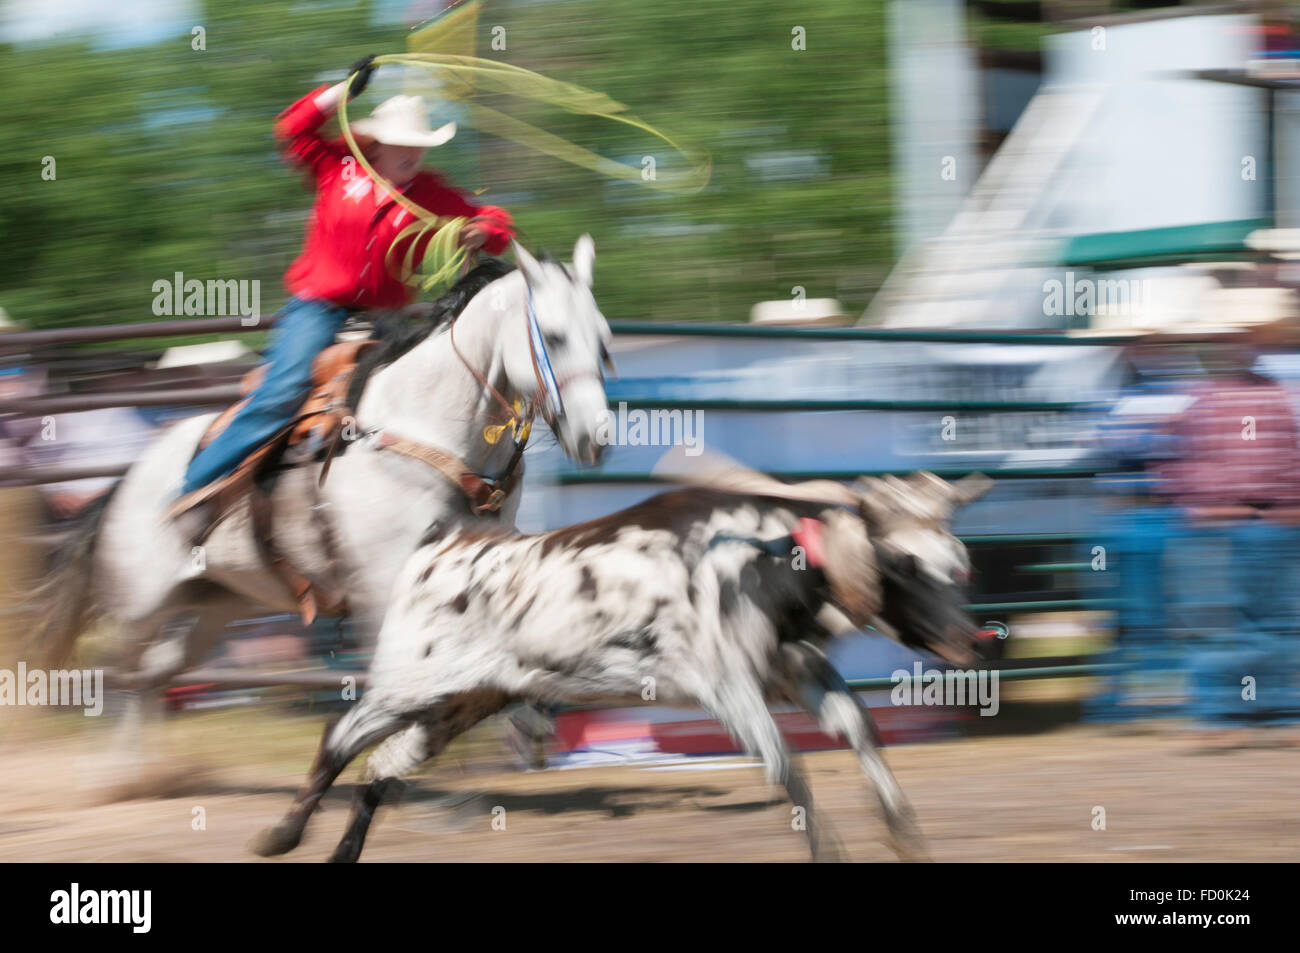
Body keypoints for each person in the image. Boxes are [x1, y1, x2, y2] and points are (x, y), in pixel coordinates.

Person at [179, 55, 515, 496]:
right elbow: (291, 128)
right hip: (319, 308)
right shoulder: (337, 166)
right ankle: (190, 492)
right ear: (376, 143)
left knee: (419, 397)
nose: (413, 152)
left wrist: (480, 231)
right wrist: (342, 92)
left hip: (387, 318)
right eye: (402, 142)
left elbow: (497, 224)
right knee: (281, 394)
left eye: (419, 144)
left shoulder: (431, 192)